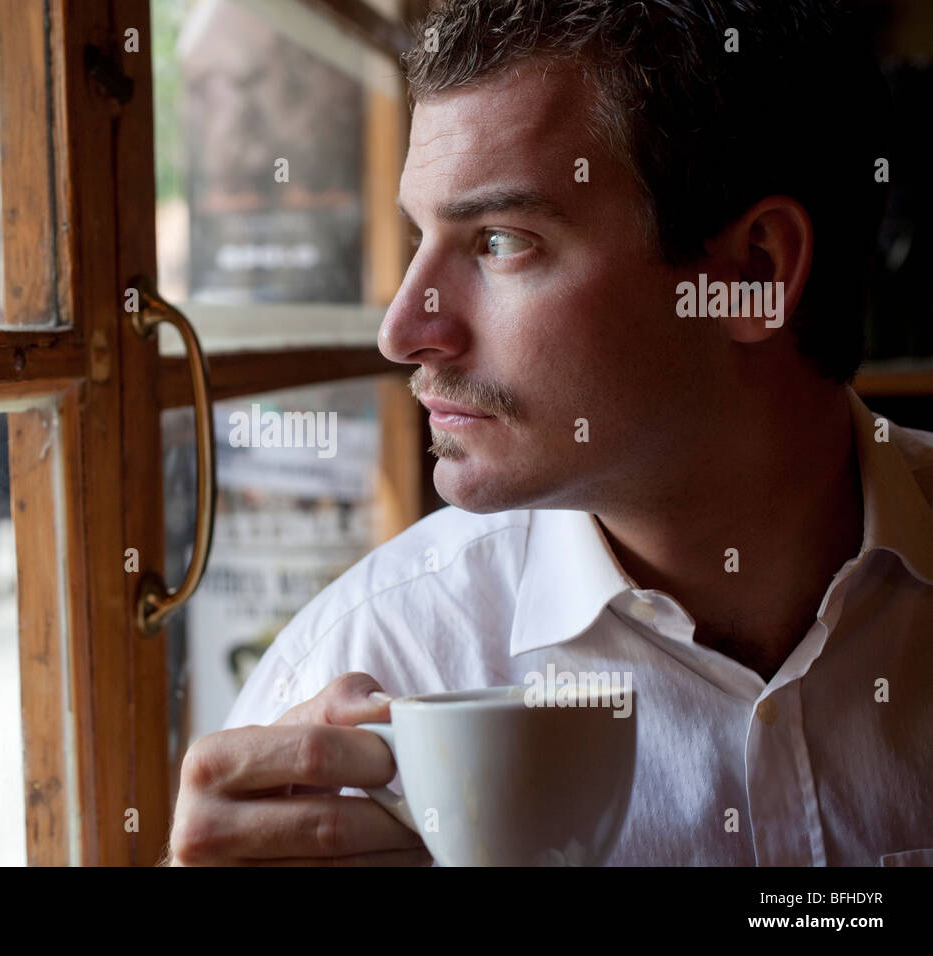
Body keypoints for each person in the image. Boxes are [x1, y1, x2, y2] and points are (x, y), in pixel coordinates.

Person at [164, 0, 933, 866]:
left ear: (752, 273)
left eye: (498, 241)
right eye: (421, 236)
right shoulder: (369, 669)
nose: (403, 328)